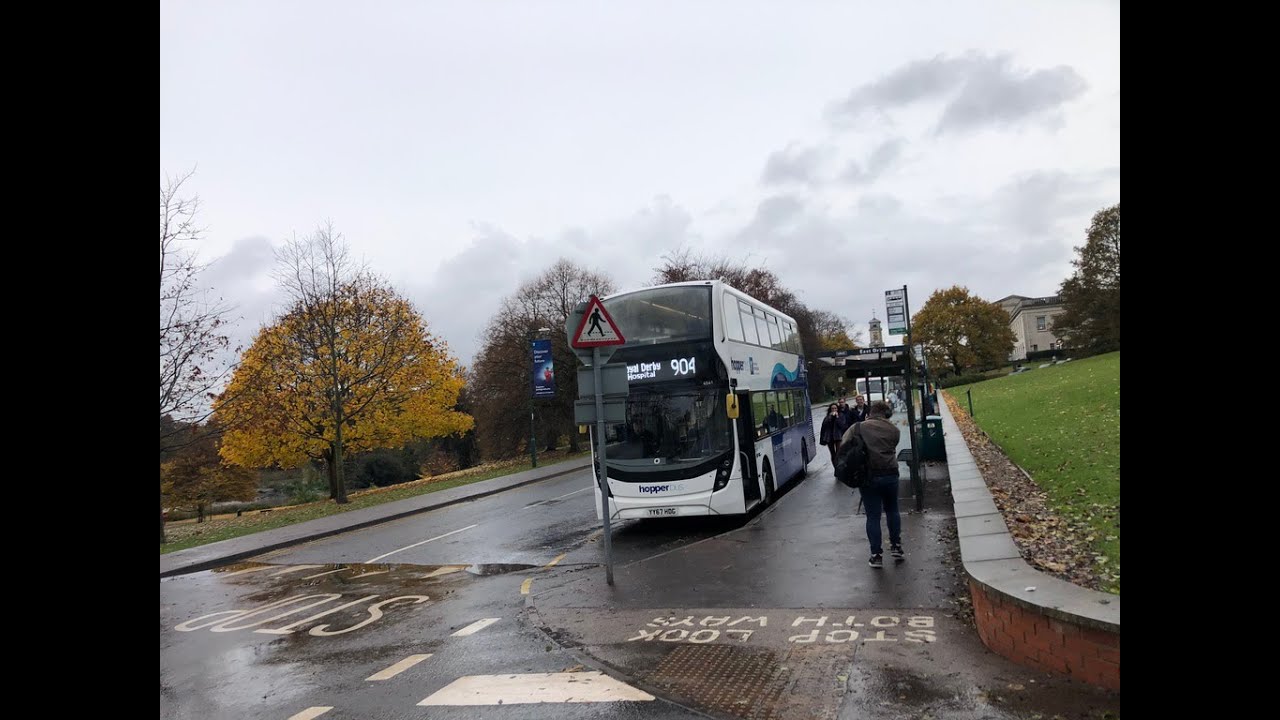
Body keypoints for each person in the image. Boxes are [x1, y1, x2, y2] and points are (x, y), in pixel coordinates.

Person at [841, 400, 903, 568]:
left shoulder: (858, 427)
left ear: (871, 412)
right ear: (886, 414)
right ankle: (896, 546)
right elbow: (894, 444)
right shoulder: (894, 430)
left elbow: (844, 443)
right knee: (893, 510)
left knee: (873, 516)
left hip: (869, 477)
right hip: (891, 475)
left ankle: (876, 555)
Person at [818, 403, 843, 476]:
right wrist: (830, 417)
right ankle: (836, 469)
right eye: (832, 408)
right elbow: (824, 426)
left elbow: (842, 425)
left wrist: (837, 417)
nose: (834, 410)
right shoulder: (827, 417)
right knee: (833, 453)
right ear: (830, 410)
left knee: (838, 452)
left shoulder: (841, 416)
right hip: (829, 437)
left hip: (838, 436)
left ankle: (839, 468)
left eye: (835, 408)